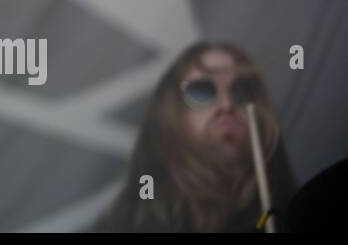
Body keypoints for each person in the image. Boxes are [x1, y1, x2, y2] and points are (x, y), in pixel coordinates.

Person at [96, 42, 297, 232]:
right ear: (170, 111)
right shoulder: (128, 225)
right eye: (202, 91)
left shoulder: (287, 215)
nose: (226, 105)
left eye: (241, 90)